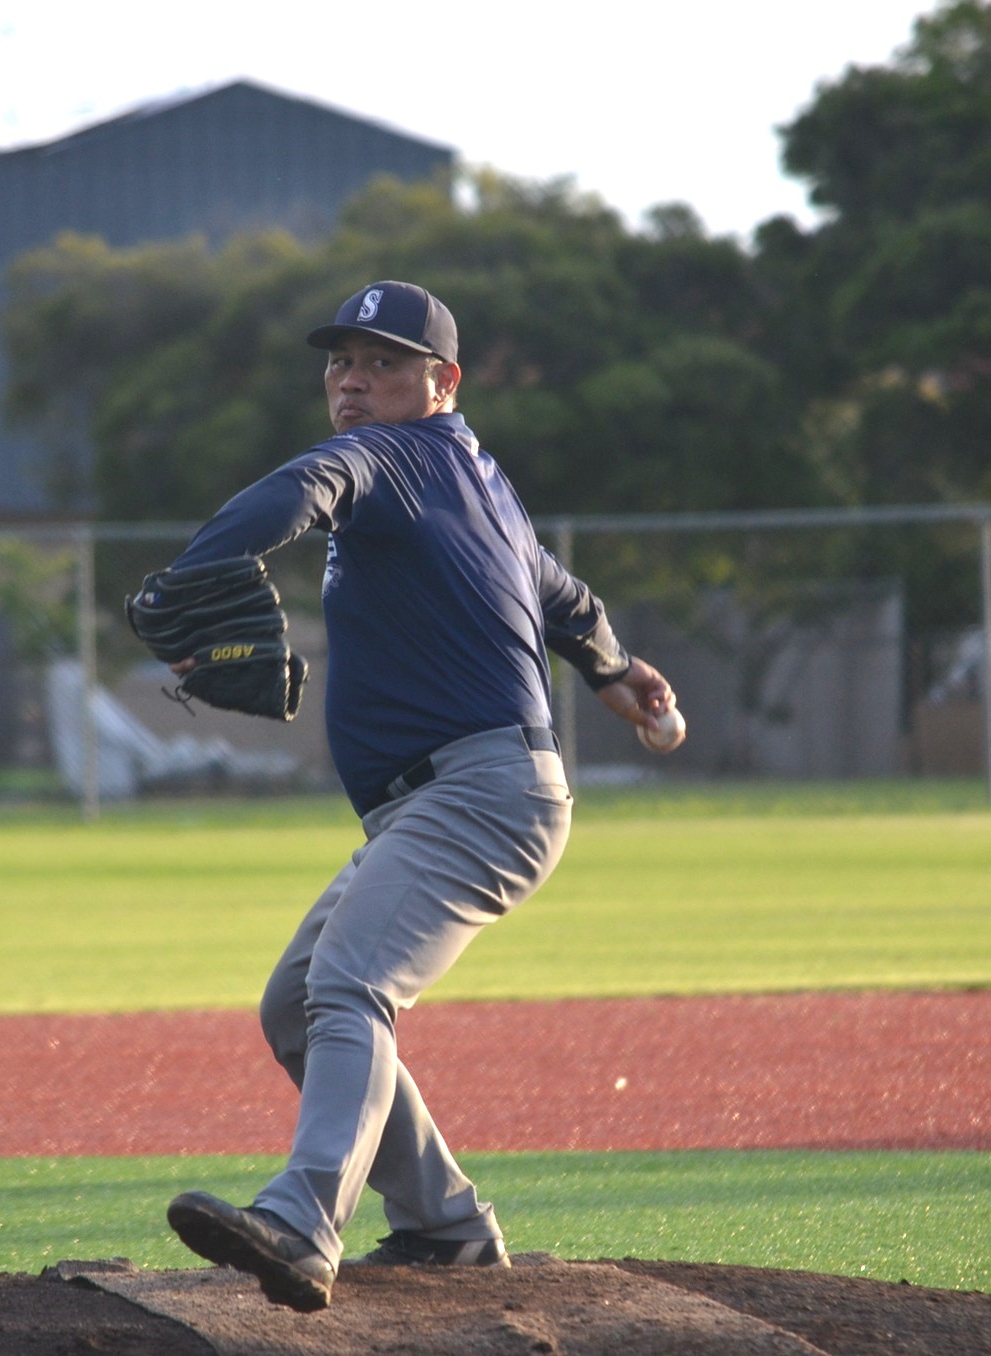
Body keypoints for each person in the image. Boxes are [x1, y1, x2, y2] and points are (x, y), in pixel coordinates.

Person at [161, 280, 681, 1312]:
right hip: (439, 801)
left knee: (350, 985)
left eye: (383, 363)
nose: (352, 383)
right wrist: (616, 673)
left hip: (479, 794)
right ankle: (444, 1229)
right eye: (339, 364)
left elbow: (305, 488)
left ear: (440, 383)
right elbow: (556, 592)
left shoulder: (395, 458)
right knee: (294, 1009)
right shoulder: (471, 479)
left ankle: (303, 1220)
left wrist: (199, 563)